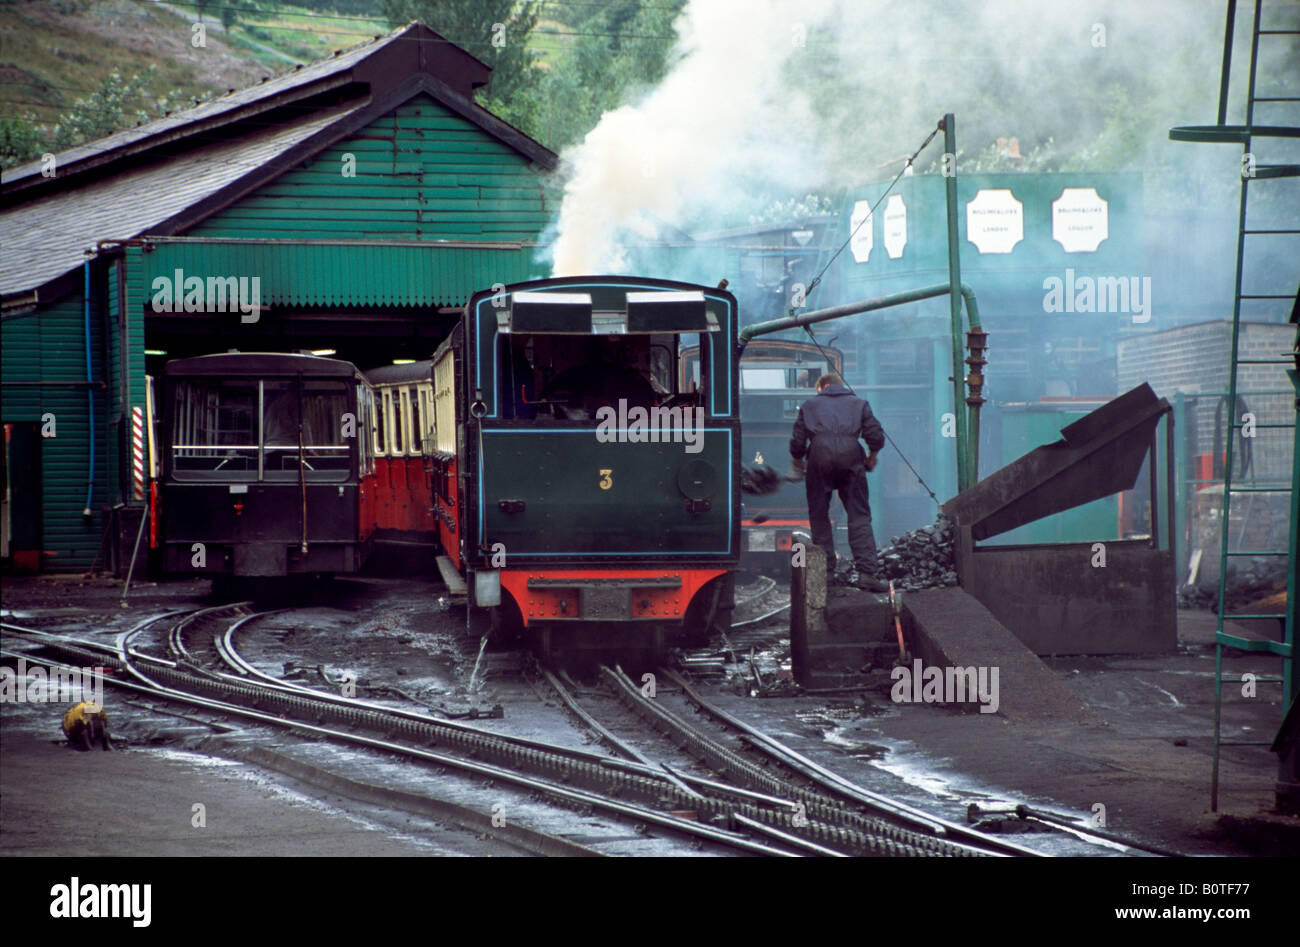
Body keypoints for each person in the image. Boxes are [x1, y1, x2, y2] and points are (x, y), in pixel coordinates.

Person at [789, 372, 889, 593]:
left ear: (822, 386)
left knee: (819, 513)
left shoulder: (809, 405)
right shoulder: (859, 403)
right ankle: (867, 574)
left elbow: (798, 439)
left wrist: (798, 460)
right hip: (851, 454)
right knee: (858, 513)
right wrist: (871, 457)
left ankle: (826, 574)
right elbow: (875, 434)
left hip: (818, 455)